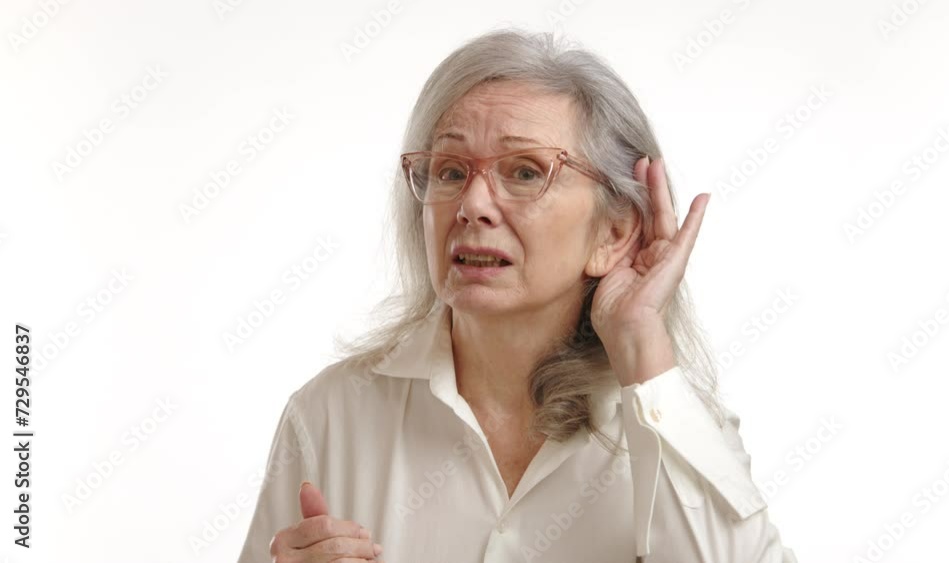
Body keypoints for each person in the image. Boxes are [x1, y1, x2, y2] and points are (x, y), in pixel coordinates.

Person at [237, 28, 798, 563]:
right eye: (450, 171)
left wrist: (639, 341)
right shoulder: (331, 413)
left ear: (613, 232)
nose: (472, 205)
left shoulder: (674, 423)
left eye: (525, 172)